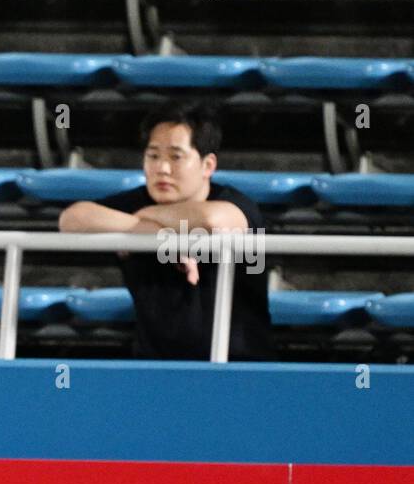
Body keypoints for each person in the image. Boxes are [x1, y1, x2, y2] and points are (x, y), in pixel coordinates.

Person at [58, 103, 273, 360]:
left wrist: (145, 222)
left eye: (175, 156)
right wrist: (157, 235)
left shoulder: (236, 204)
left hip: (239, 370)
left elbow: (211, 220)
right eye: (153, 156)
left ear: (208, 165)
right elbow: (72, 218)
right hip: (154, 370)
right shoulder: (139, 203)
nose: (162, 168)